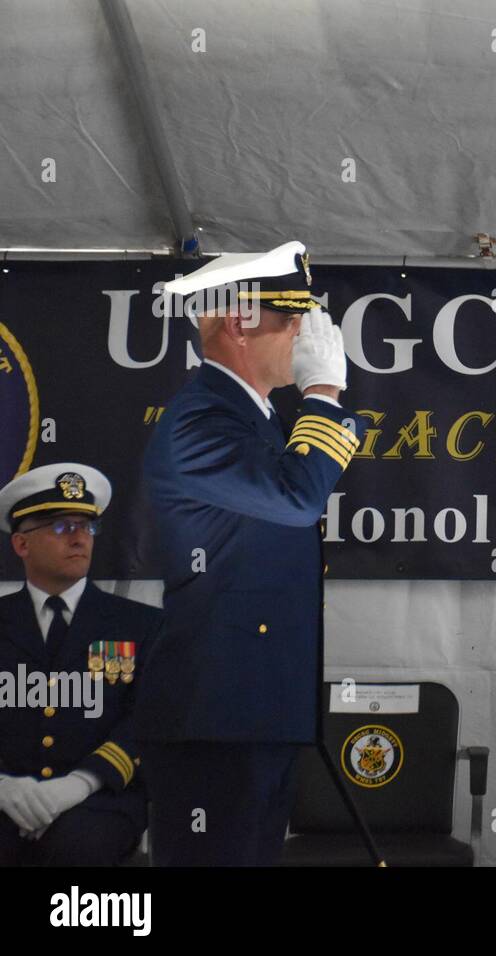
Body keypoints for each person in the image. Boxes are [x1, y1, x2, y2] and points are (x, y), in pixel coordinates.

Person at [137, 241, 358, 865]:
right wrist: (322, 394)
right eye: (294, 320)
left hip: (254, 709)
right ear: (239, 322)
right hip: (215, 713)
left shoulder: (248, 416)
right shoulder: (199, 421)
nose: (306, 337)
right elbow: (296, 499)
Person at [0, 463, 160, 865]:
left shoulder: (139, 625)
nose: (78, 538)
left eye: (86, 527)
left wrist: (80, 783)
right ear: (21, 544)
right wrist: (4, 787)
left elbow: (148, 721)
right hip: (6, 795)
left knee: (74, 848)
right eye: (60, 527)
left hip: (101, 799)